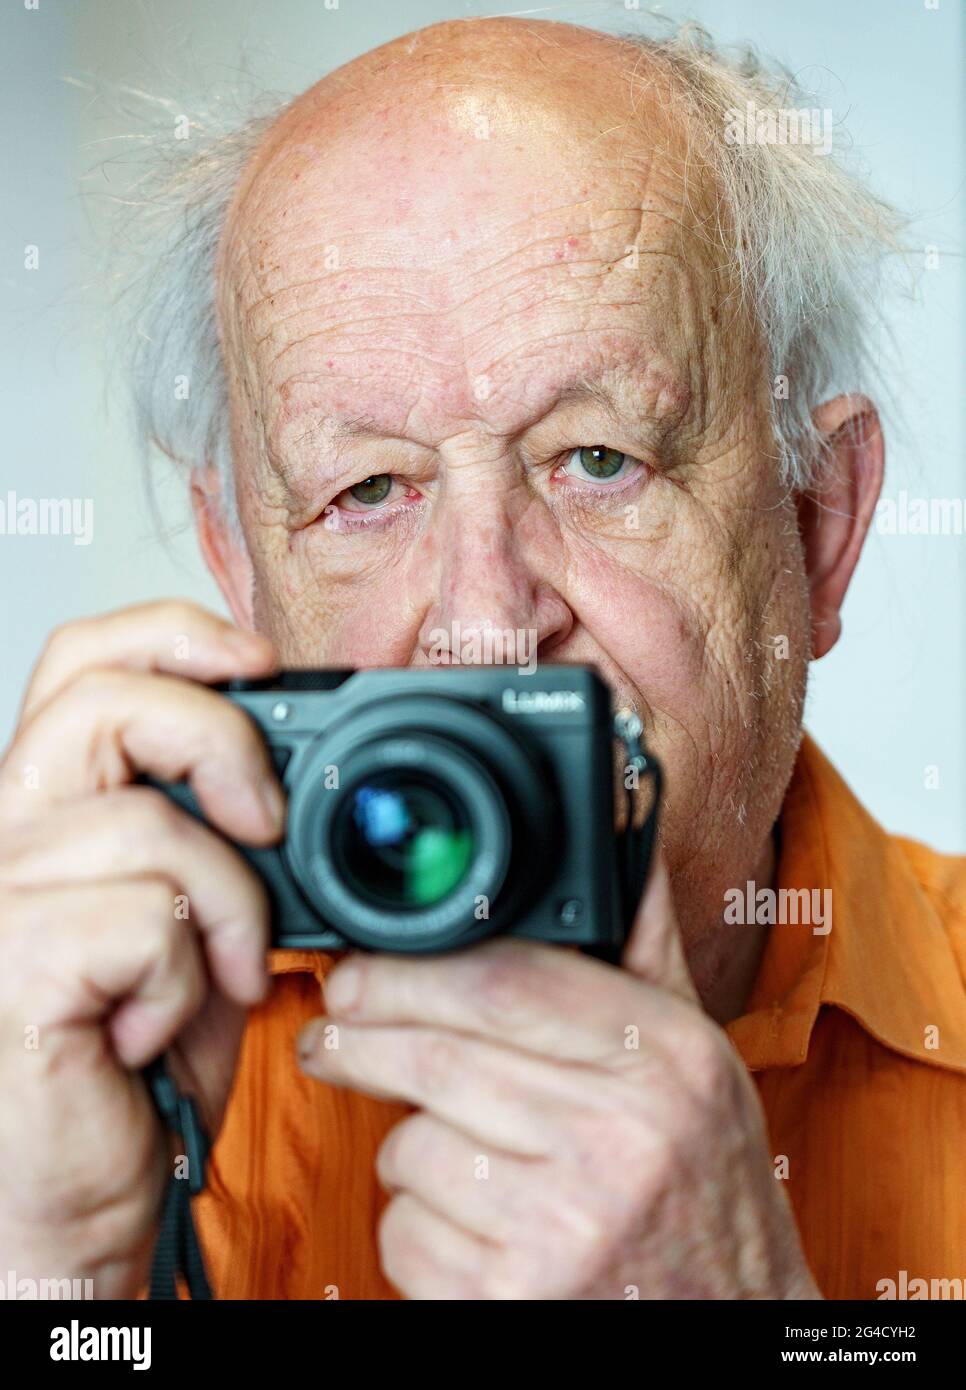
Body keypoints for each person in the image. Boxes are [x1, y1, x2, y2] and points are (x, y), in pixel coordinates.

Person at [1, 18, 962, 1301]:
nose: (485, 624)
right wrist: (54, 1277)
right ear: (241, 573)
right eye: (367, 491)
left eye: (599, 461)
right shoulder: (107, 1046)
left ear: (817, 522)